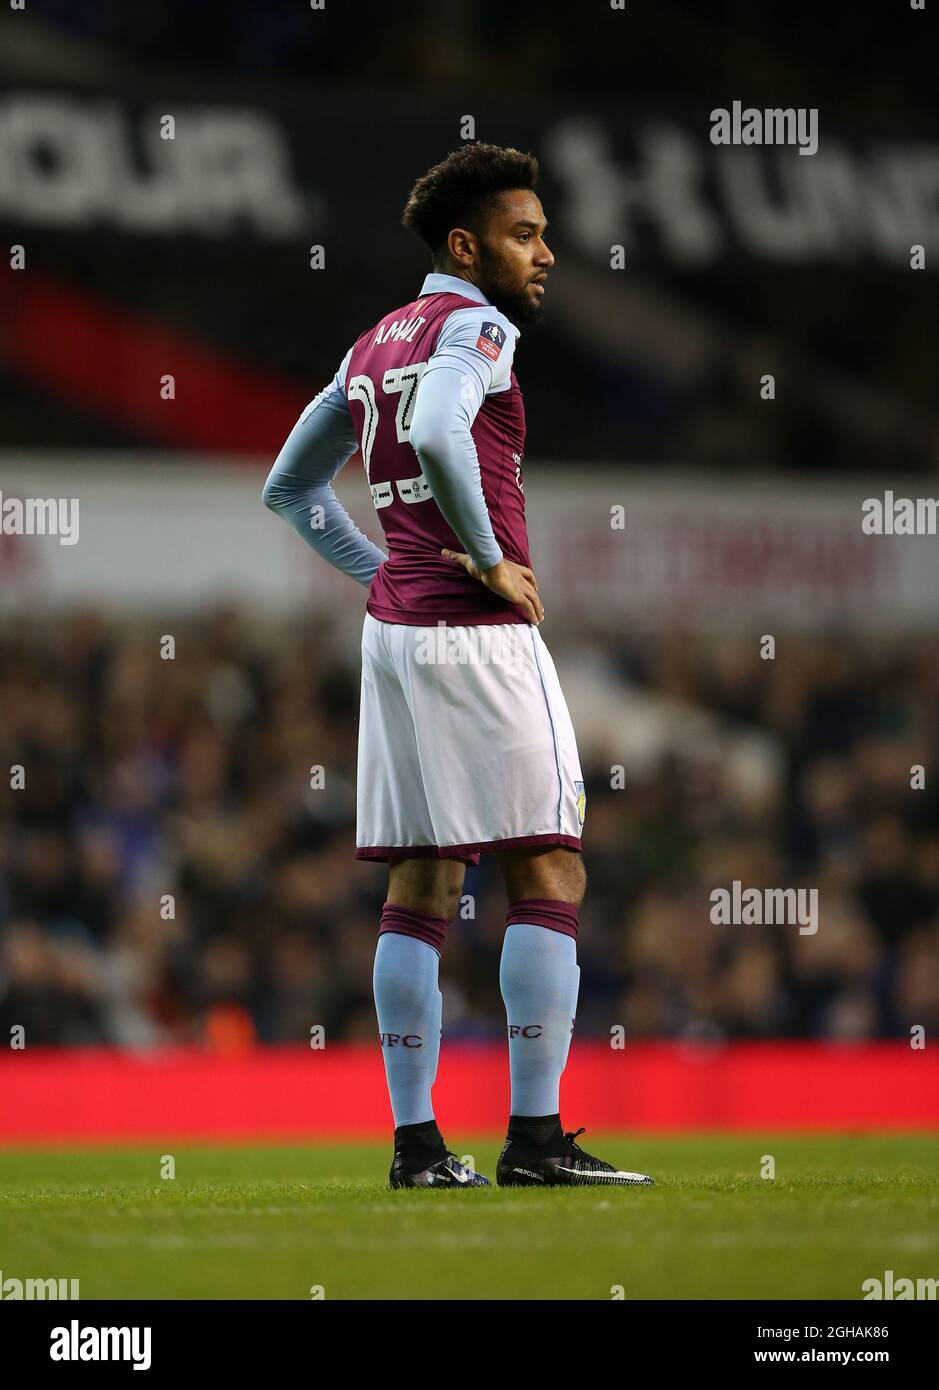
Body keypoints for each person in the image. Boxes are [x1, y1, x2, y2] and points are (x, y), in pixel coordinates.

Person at [263, 142, 652, 1189]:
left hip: (395, 635)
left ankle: (417, 1147)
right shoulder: (478, 326)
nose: (547, 254)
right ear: (467, 246)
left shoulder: (372, 341)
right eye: (526, 235)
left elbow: (288, 490)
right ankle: (535, 1140)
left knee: (423, 882)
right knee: (549, 865)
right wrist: (483, 558)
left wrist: (385, 573)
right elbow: (440, 428)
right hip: (476, 634)